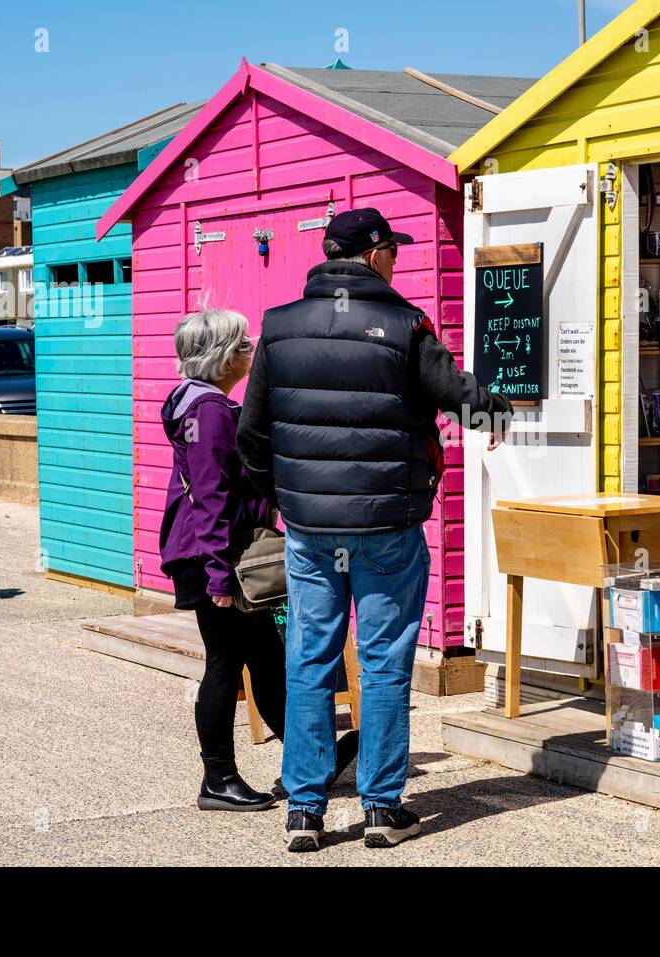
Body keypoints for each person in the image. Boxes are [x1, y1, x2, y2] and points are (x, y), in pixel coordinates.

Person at [239, 207, 512, 852]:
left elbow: (252, 436)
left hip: (309, 530)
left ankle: (304, 810)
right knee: (385, 662)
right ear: (375, 254)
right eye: (394, 250)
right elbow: (461, 395)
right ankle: (382, 808)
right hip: (387, 524)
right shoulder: (403, 327)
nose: (398, 261)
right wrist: (500, 409)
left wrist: (288, 497)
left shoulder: (278, 330)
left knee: (309, 660)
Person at [159, 309, 358, 812]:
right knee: (225, 665)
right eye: (243, 344)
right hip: (215, 556)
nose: (251, 350)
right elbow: (211, 496)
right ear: (222, 356)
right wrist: (219, 575)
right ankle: (218, 779)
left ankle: (309, 762)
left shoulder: (196, 403)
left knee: (267, 661)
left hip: (216, 553)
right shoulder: (207, 413)